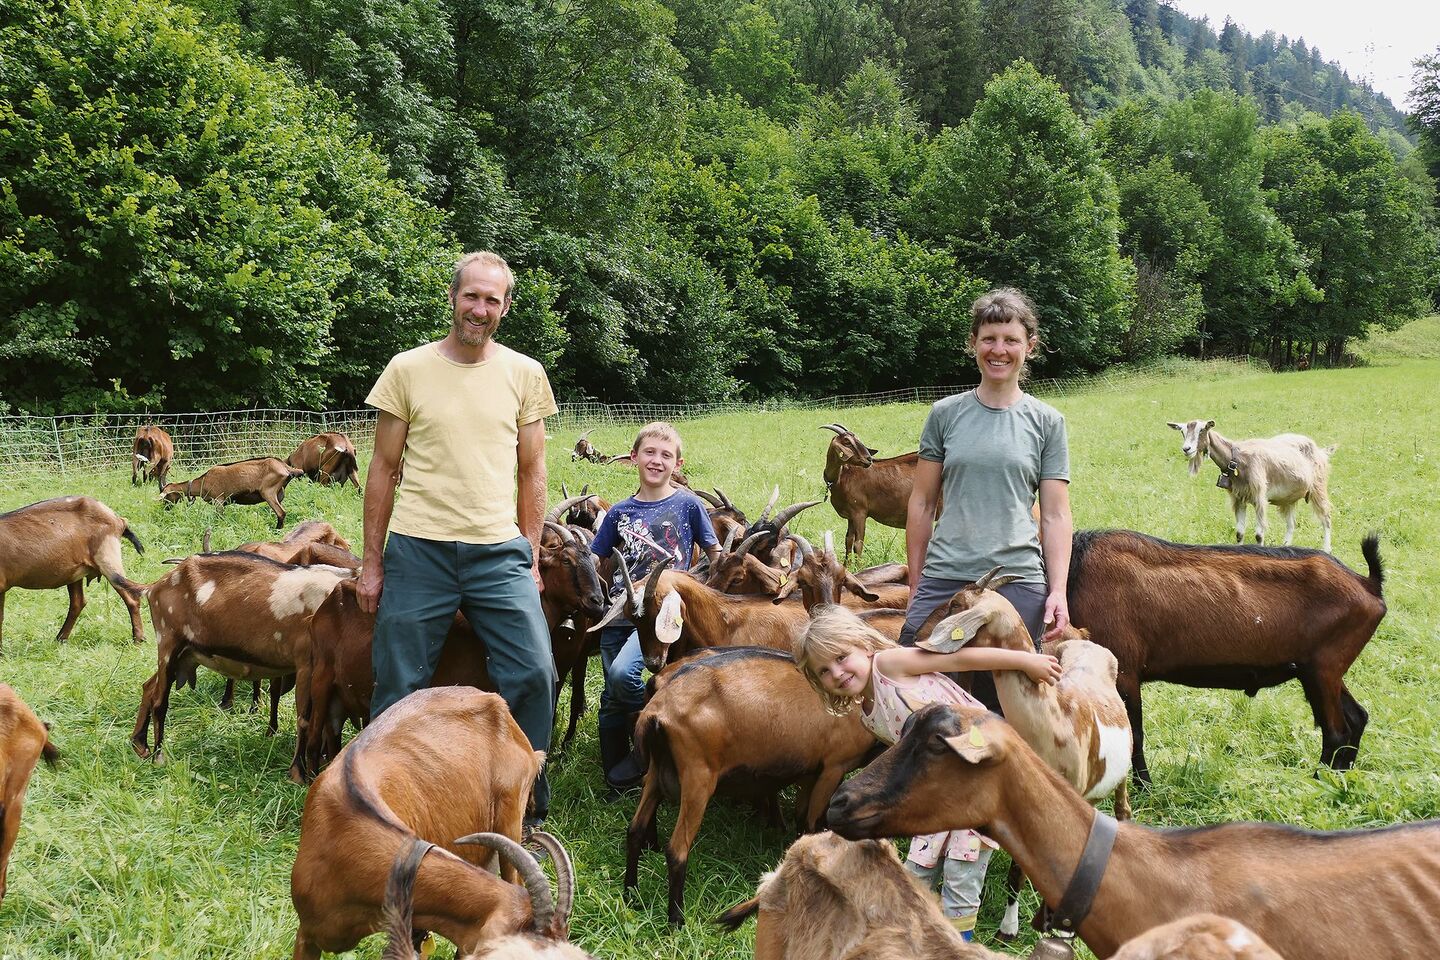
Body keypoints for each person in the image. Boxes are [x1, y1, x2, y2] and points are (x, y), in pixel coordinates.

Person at [359, 250, 559, 821]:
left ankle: (523, 800)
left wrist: (531, 552)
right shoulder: (407, 368)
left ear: (506, 307)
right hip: (419, 549)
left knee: (532, 670)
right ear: (452, 297)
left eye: (492, 299)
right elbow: (382, 467)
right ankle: (382, 796)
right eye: (471, 296)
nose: (480, 308)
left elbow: (532, 471)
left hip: (497, 553)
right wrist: (372, 562)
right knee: (399, 676)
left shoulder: (524, 374)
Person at [794, 604, 1060, 939]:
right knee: (914, 874)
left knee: (961, 874)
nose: (837, 673)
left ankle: (957, 947)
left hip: (977, 774)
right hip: (936, 792)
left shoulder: (890, 666)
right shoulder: (866, 712)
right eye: (823, 671)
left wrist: (1025, 661)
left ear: (863, 646)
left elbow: (956, 659)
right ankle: (917, 942)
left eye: (842, 657)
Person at [902, 287, 1073, 711]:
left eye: (1011, 340)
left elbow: (1054, 515)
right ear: (973, 344)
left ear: (1029, 347)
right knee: (922, 695)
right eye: (989, 339)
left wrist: (1058, 591)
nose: (999, 350)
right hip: (946, 575)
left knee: (1008, 706)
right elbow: (922, 503)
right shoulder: (945, 414)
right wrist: (916, 579)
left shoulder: (1047, 422)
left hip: (1017, 580)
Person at [588, 422, 720, 790]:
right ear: (634, 458)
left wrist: (702, 594)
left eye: (666, 455)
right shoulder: (619, 513)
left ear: (678, 464)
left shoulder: (688, 505)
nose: (656, 461)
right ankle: (617, 779)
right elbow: (595, 559)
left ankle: (644, 748)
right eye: (649, 452)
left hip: (663, 614)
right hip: (620, 612)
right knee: (612, 695)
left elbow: (716, 556)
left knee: (621, 677)